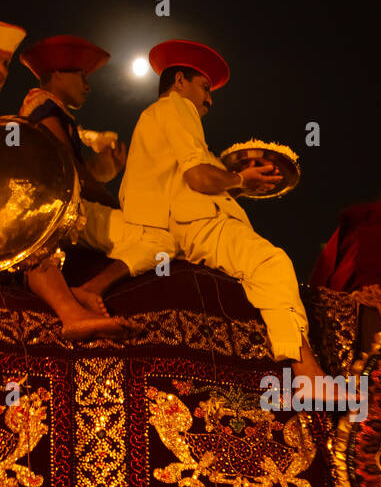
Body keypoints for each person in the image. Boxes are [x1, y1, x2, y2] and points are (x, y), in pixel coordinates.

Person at [82, 39, 340, 402]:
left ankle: (89, 289)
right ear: (180, 82)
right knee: (271, 261)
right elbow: (199, 180)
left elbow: (192, 180)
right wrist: (240, 181)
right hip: (195, 225)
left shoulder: (159, 119)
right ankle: (306, 372)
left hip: (159, 230)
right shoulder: (176, 108)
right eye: (205, 88)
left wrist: (239, 184)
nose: (209, 100)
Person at [0, 20, 127, 341]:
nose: (0, 69)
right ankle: (72, 314)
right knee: (32, 246)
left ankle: (77, 294)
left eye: (5, 63)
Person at [17, 35, 133, 320]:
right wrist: (113, 203)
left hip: (66, 209)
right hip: (52, 215)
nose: (87, 85)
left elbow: (78, 175)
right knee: (152, 234)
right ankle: (90, 290)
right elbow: (67, 171)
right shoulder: (41, 104)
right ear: (56, 73)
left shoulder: (55, 112)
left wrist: (105, 169)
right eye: (81, 76)